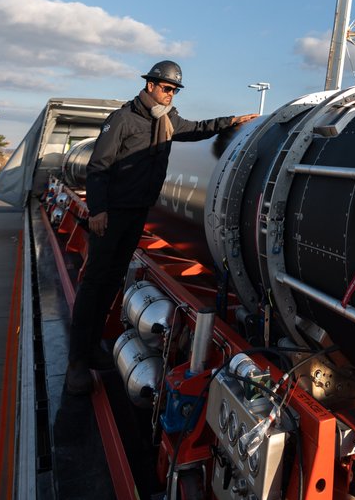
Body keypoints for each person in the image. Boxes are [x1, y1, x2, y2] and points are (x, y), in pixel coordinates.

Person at [66, 60, 259, 396]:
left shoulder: (166, 121)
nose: (170, 95)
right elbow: (98, 167)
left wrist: (232, 122)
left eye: (174, 90)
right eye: (167, 88)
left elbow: (198, 128)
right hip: (111, 216)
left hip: (137, 213)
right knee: (95, 284)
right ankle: (76, 364)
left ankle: (93, 347)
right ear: (151, 85)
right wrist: (97, 211)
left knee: (111, 283)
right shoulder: (123, 120)